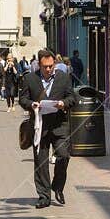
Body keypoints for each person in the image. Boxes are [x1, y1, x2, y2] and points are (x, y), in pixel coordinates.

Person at [18, 49, 79, 209]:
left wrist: (63, 104)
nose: (48, 69)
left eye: (51, 66)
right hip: (40, 126)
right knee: (41, 162)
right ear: (39, 64)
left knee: (63, 156)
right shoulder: (30, 78)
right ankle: (44, 196)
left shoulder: (63, 78)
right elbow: (23, 98)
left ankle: (57, 186)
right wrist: (31, 104)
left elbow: (72, 98)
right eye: (45, 66)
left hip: (60, 125)